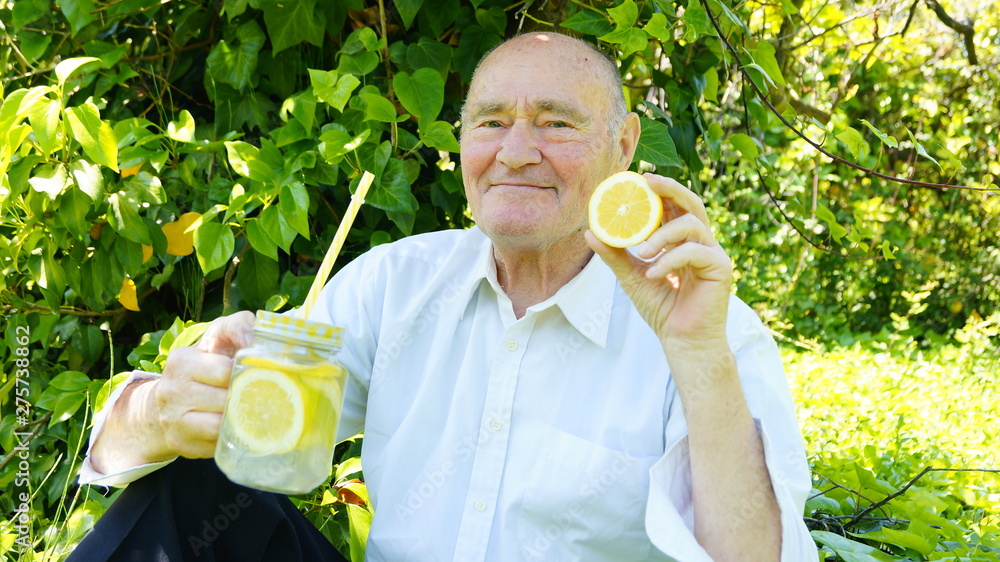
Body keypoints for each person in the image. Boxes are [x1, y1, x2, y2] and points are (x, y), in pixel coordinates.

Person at [73, 32, 818, 561]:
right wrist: (167, 413)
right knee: (191, 492)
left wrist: (696, 354)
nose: (516, 151)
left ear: (624, 146)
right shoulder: (395, 284)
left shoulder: (703, 332)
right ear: (461, 142)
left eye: (557, 123)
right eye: (491, 123)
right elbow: (124, 447)